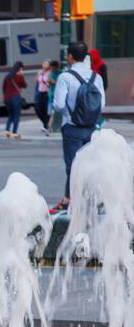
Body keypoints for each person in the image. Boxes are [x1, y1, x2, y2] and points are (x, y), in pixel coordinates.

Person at [53, 39, 107, 207]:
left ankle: (71, 199)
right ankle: (90, 197)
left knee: (73, 165)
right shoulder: (95, 76)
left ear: (70, 56)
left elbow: (59, 105)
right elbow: (101, 104)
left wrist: (70, 110)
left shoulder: (65, 77)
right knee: (90, 164)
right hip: (91, 127)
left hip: (72, 127)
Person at [2, 62, 27, 139]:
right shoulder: (20, 76)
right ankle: (14, 133)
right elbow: (25, 85)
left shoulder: (7, 76)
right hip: (15, 98)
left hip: (7, 99)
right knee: (16, 116)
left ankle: (7, 131)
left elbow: (3, 88)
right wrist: (21, 75)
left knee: (11, 115)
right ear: (20, 69)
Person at [34, 61, 54, 133]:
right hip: (40, 92)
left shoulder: (50, 73)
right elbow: (36, 81)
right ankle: (45, 124)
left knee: (46, 109)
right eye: (44, 64)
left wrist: (48, 82)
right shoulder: (40, 72)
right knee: (38, 109)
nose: (44, 65)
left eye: (46, 64)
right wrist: (39, 74)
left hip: (47, 93)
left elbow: (50, 82)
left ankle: (47, 126)